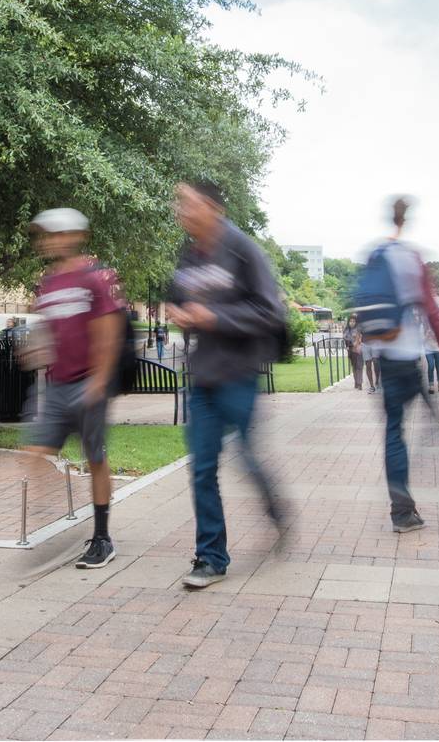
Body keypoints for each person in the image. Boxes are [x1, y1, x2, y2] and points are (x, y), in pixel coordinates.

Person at [167, 179, 289, 588]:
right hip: (202, 377)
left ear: (213, 207)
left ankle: (276, 507)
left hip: (239, 374)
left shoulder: (242, 249)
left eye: (187, 202)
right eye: (178, 203)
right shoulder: (187, 255)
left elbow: (271, 312)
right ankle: (211, 558)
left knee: (247, 456)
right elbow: (181, 296)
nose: (180, 209)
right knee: (202, 467)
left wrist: (213, 318)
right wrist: (179, 310)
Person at [24, 207, 125, 569]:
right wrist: (38, 346)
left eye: (53, 234)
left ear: (73, 235)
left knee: (95, 458)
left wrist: (99, 380)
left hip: (88, 382)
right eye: (44, 235)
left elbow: (109, 331)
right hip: (57, 384)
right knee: (35, 452)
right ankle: (51, 519)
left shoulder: (94, 278)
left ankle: (102, 537)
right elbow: (49, 327)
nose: (47, 241)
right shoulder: (48, 282)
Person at [361, 197, 439, 533]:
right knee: (428, 421)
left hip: (385, 356)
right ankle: (433, 434)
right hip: (407, 357)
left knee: (393, 433)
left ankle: (401, 512)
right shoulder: (412, 257)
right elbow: (431, 311)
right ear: (408, 217)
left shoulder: (376, 253)